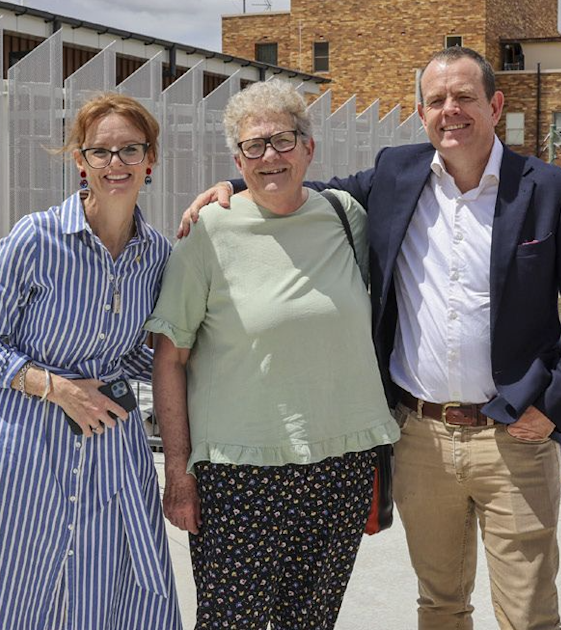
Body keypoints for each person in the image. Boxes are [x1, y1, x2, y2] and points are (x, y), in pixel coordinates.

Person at [181, 47, 561, 630]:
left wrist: (555, 406)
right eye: (437, 101)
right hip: (419, 435)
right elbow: (301, 185)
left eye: (465, 98)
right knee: (441, 604)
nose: (451, 111)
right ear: (420, 112)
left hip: (515, 438)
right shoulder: (397, 175)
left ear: (496, 105)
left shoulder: (552, 190)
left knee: (528, 614)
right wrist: (229, 184)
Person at [146, 80, 400, 629]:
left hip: (341, 465)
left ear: (309, 147)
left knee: (311, 622)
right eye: (253, 147)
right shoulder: (208, 231)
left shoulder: (344, 215)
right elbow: (169, 359)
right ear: (237, 159)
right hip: (241, 474)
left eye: (282, 141)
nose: (269, 157)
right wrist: (178, 472)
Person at [0, 93, 182, 629]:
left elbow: (140, 353)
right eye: (100, 152)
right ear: (80, 161)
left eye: (130, 151)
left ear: (151, 159)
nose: (116, 164)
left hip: (113, 442)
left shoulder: (158, 254)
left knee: (117, 581)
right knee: (8, 583)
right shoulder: (34, 238)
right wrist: (58, 389)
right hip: (27, 439)